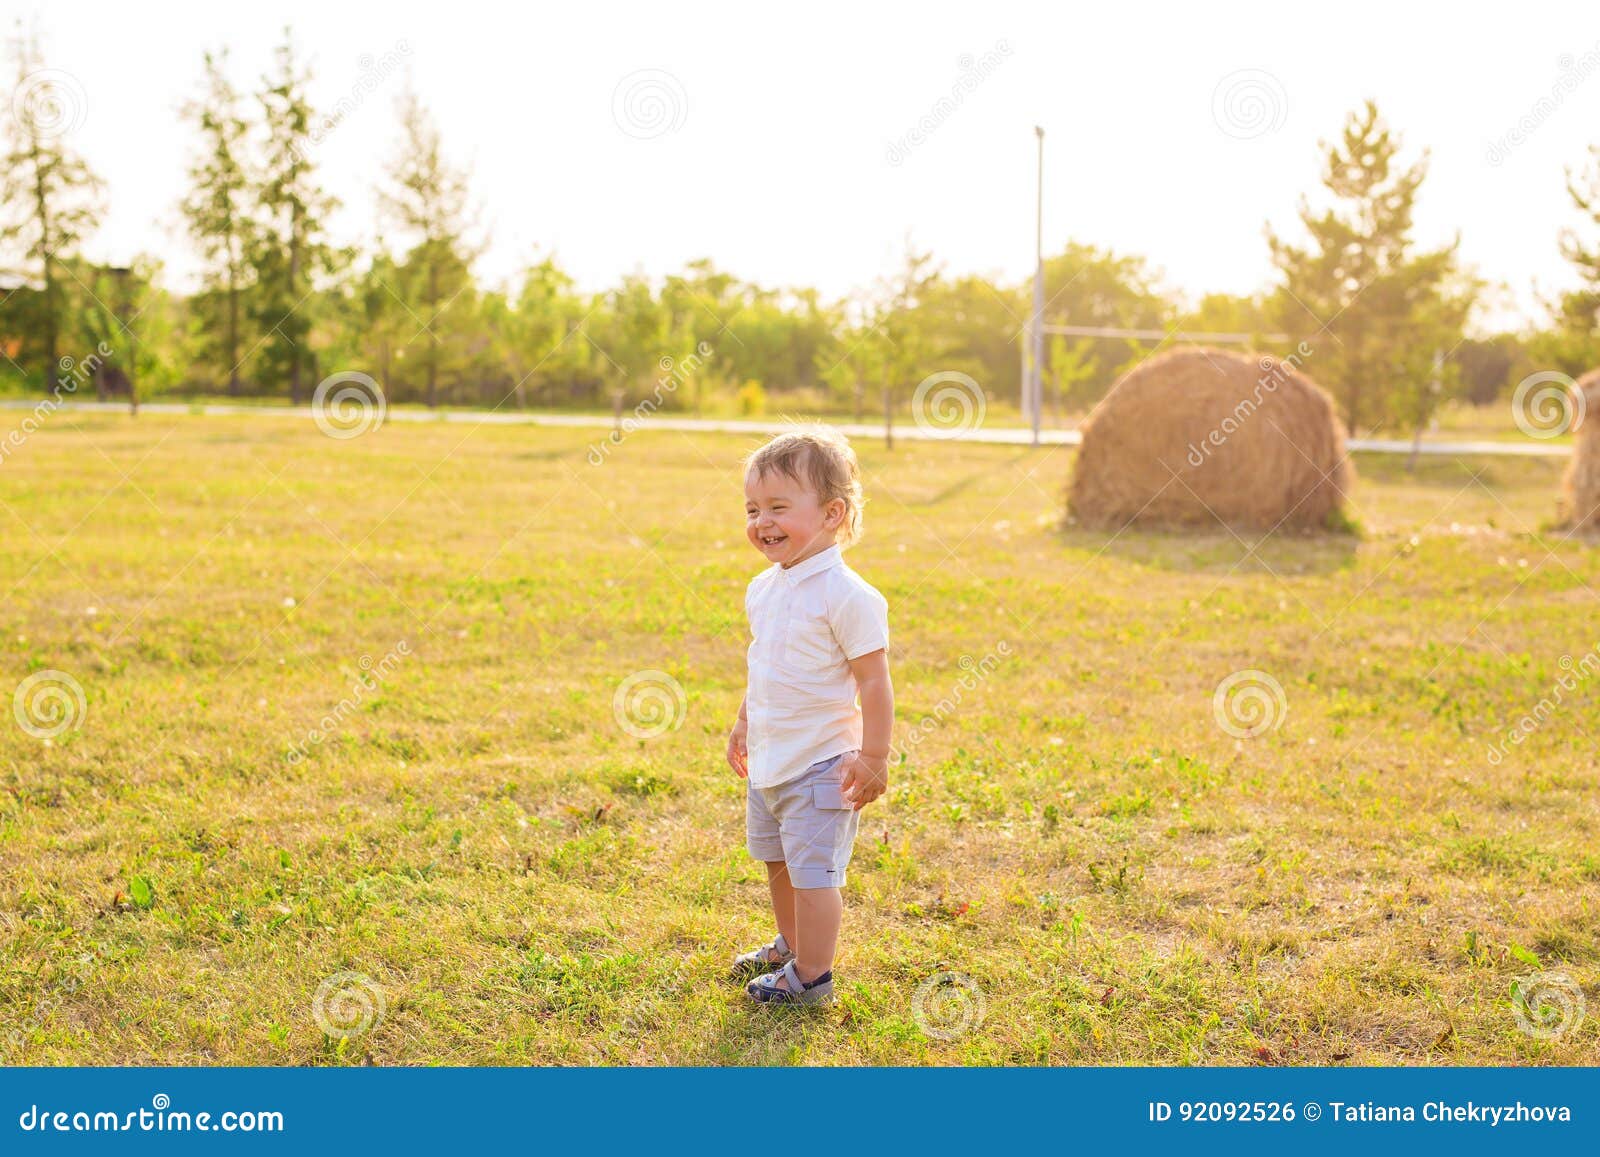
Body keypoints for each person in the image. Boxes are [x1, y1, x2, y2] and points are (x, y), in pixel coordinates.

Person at [726, 425, 894, 1005]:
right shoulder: (763, 589)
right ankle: (792, 945)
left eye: (777, 507)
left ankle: (814, 976)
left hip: (821, 763)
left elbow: (874, 681)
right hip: (773, 759)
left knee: (814, 873)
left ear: (830, 514)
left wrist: (873, 756)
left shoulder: (847, 595)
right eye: (752, 509)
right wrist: (746, 721)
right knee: (776, 860)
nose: (761, 522)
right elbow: (764, 664)